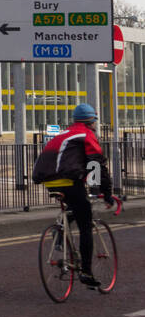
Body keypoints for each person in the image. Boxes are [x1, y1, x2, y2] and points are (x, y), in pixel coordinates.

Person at [32, 103, 116, 287]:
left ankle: (60, 229)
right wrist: (106, 193)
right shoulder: (86, 135)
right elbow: (96, 165)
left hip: (48, 180)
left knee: (74, 206)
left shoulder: (64, 133)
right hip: (69, 181)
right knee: (85, 223)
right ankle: (86, 272)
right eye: (95, 120)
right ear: (91, 121)